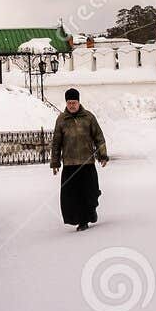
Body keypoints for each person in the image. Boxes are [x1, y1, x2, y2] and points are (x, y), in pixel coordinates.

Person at [49, 88, 108, 231]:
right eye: (69, 103)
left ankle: (91, 210)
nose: (71, 105)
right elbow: (56, 142)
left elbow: (99, 137)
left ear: (79, 102)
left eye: (74, 102)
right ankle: (82, 220)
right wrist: (55, 162)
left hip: (87, 163)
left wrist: (102, 155)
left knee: (90, 192)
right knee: (73, 196)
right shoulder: (62, 120)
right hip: (70, 164)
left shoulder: (88, 117)